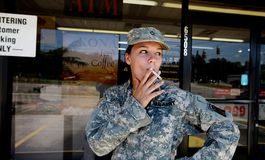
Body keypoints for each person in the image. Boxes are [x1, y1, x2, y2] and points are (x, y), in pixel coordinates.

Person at [85, 27, 240, 160]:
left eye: (158, 53)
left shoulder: (175, 98)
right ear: (128, 58)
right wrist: (135, 105)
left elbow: (228, 129)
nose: (153, 59)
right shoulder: (114, 97)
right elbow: (97, 146)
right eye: (144, 51)